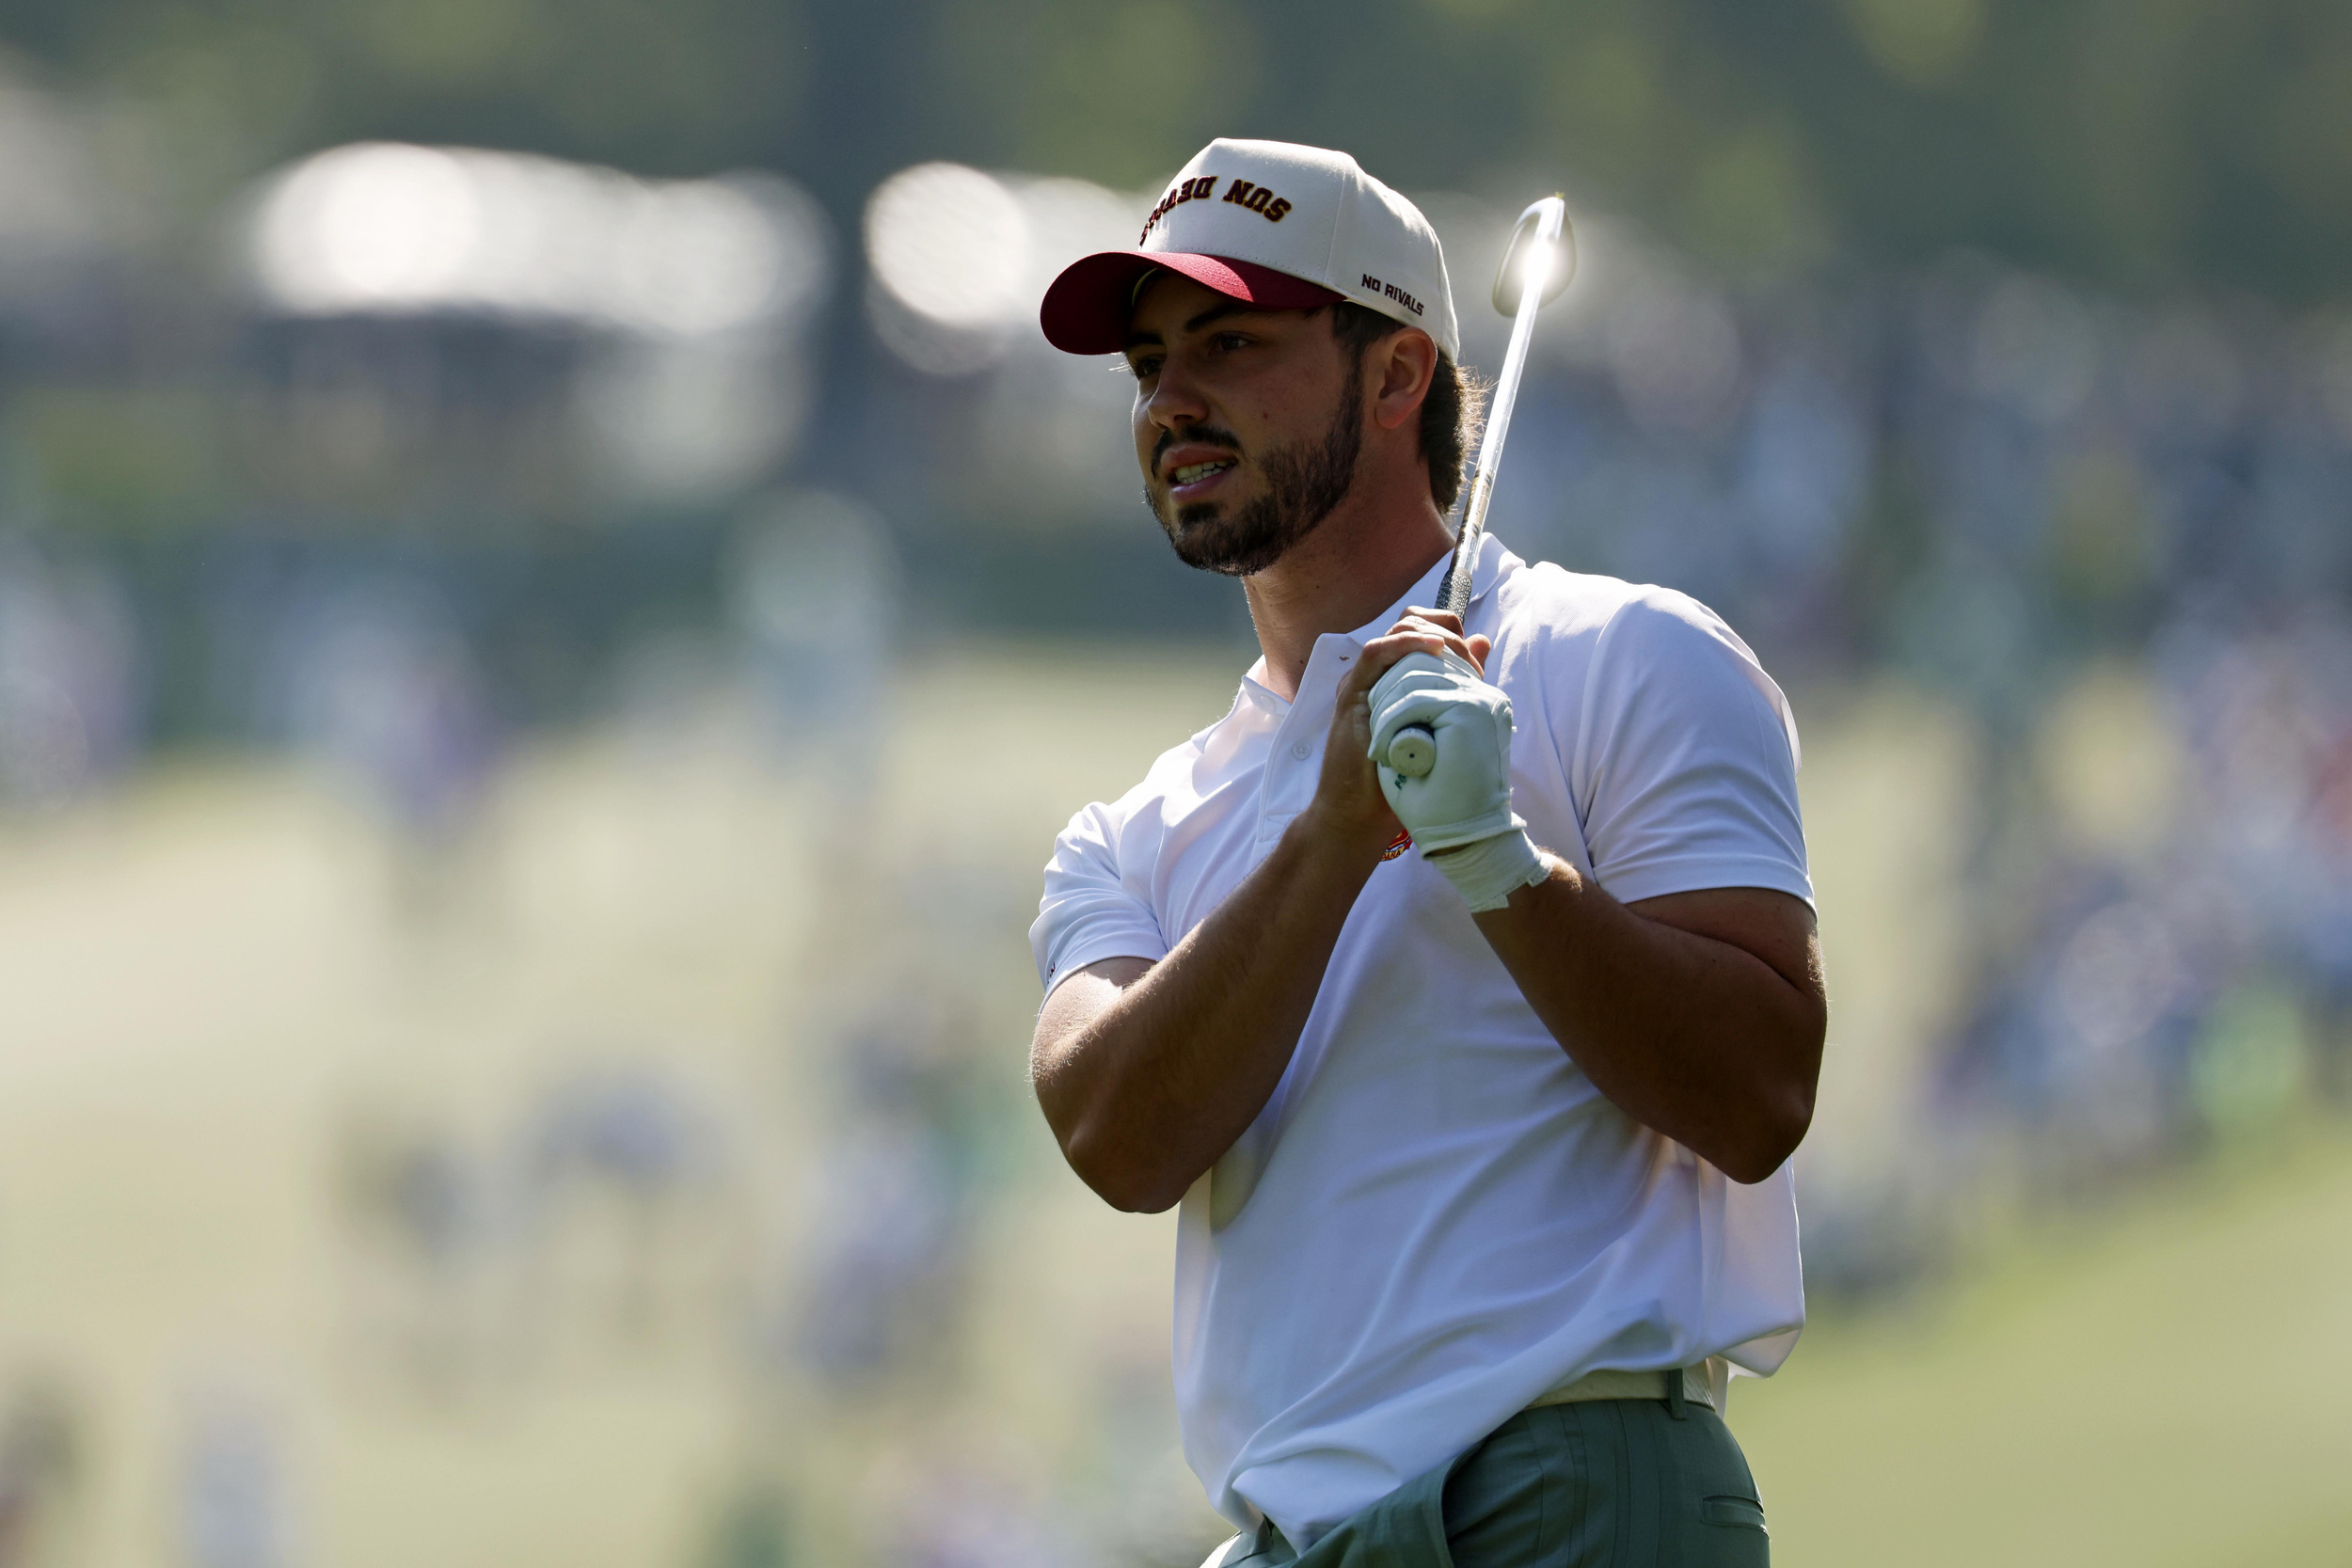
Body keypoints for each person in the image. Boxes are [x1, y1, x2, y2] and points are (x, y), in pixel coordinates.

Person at [1027, 138, 1825, 1567]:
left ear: (1398, 378)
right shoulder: (1130, 834)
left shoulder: (1627, 658)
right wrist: (1337, 835)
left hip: (1569, 1491)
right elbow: (1119, 1138)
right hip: (1289, 1535)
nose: (1172, 401)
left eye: (1229, 343)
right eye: (1148, 364)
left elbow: (1760, 1088)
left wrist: (1496, 857)